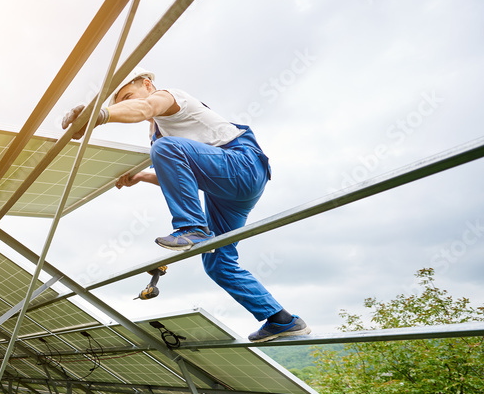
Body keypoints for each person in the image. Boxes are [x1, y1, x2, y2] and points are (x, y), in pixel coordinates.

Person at [62, 69, 310, 342]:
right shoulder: (158, 135)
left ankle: (192, 227)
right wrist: (142, 177)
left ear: (147, 84)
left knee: (166, 149)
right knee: (217, 263)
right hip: (227, 192)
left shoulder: (168, 98)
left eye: (127, 97)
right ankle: (281, 320)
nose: (124, 104)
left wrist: (100, 116)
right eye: (119, 102)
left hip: (243, 163)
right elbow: (180, 174)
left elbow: (145, 108)